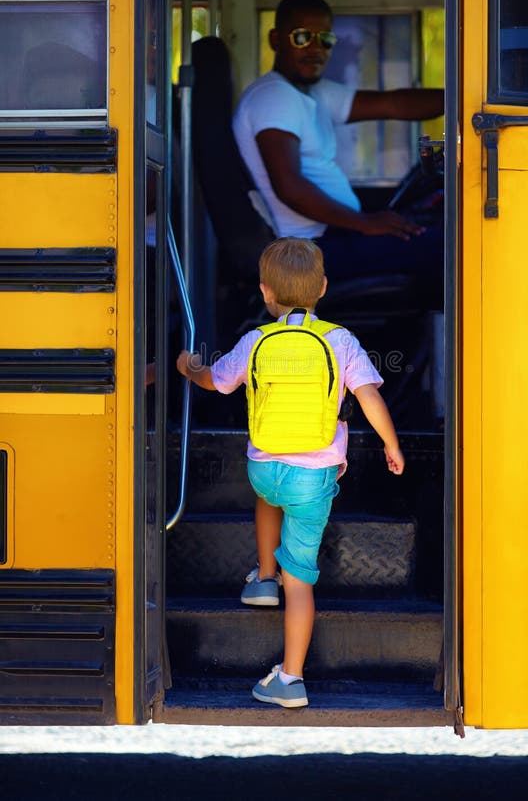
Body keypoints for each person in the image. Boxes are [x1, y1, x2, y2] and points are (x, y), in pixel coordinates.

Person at [176, 237, 405, 709]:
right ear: (322, 287)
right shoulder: (339, 341)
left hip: (264, 468)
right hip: (314, 477)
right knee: (299, 582)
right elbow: (368, 397)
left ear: (265, 293)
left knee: (267, 497)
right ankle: (291, 679)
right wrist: (391, 443)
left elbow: (216, 382)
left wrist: (188, 368)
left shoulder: (257, 340)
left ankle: (262, 576)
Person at [233, 0, 445, 309]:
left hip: (332, 236)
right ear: (276, 39)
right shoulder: (274, 97)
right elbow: (289, 187)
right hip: (305, 252)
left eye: (325, 39)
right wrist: (365, 223)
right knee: (449, 247)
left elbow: (392, 104)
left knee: (437, 236)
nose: (315, 48)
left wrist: (462, 98)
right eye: (302, 37)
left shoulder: (311, 92)